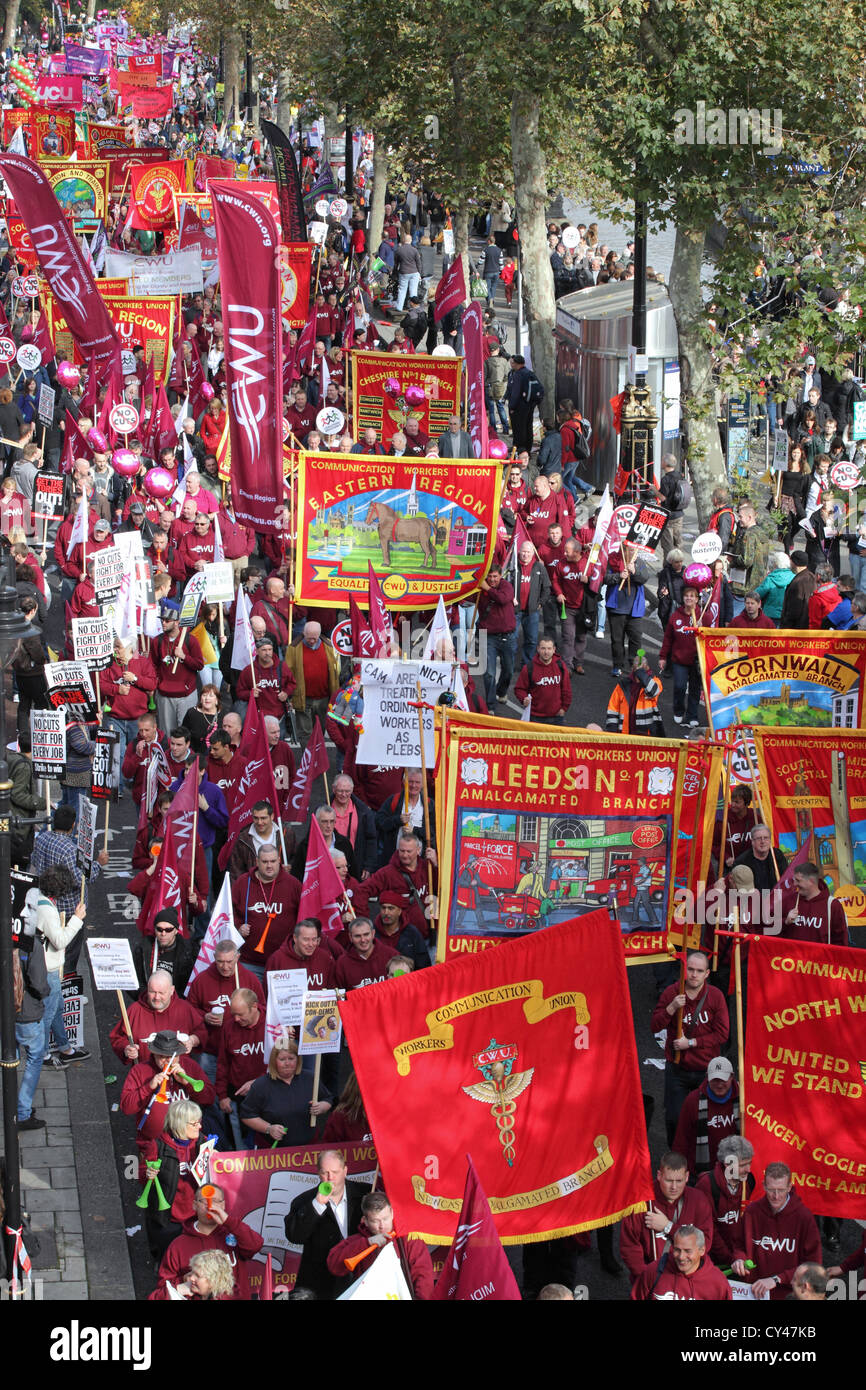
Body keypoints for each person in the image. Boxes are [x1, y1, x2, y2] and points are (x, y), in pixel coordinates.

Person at [652, 951, 730, 1145]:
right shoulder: (672, 992)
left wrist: (691, 1043)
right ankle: (676, 1163)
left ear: (707, 973)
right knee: (674, 1120)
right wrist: (671, 1008)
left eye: (699, 970)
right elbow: (655, 1026)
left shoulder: (716, 996)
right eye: (691, 969)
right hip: (677, 1070)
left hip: (706, 1071)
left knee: (707, 1122)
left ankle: (701, 1165)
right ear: (685, 970)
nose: (694, 974)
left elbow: (723, 1034)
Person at [151, 1184, 264, 1301]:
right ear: (194, 1205)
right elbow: (163, 1290)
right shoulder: (178, 1245)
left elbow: (256, 1245)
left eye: (216, 1201)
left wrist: (228, 1221)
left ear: (224, 1205)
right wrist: (186, 1280)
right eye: (204, 1201)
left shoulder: (235, 1235)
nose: (210, 1206)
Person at [284, 1149, 368, 1299]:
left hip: (360, 1277)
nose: (330, 1178)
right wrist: (316, 1206)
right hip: (320, 1282)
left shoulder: (365, 1194)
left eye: (335, 1172)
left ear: (345, 1171)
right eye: (325, 1173)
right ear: (318, 1173)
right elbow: (294, 1236)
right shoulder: (304, 1201)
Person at [619, 1152, 715, 1283]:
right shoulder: (640, 1202)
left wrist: (668, 1227)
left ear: (687, 1177)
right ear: (659, 1175)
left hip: (687, 1281)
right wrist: (647, 1278)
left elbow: (705, 1243)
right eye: (669, 1180)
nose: (674, 1187)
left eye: (679, 1181)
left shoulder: (699, 1200)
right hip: (650, 1281)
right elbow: (629, 1247)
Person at [731, 1163, 822, 1300]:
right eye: (771, 1190)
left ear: (789, 1187)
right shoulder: (751, 1212)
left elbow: (813, 1265)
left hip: (789, 1294)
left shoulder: (804, 1217)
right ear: (763, 1186)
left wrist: (777, 1279)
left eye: (781, 1190)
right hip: (754, 1291)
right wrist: (739, 1259)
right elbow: (739, 1245)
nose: (776, 1196)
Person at [327, 1191, 435, 1298]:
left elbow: (424, 1278)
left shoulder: (410, 1239)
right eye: (375, 1221)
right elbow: (334, 1265)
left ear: (392, 1213)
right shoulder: (359, 1241)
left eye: (385, 1218)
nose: (382, 1226)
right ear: (365, 1221)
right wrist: (367, 1243)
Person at [240, 1039, 331, 1148]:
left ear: (298, 1059)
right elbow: (246, 1115)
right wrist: (269, 1128)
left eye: (291, 1058)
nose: (287, 1063)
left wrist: (322, 1107)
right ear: (274, 1061)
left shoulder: (310, 1079)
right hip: (274, 1151)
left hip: (309, 1147)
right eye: (282, 1059)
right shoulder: (261, 1085)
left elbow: (328, 1099)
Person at [109, 971, 204, 1067]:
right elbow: (117, 1037)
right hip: (144, 1074)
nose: (157, 997)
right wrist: (126, 1048)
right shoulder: (135, 1010)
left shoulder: (184, 1009)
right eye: (152, 992)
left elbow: (202, 1032)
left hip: (179, 1074)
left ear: (172, 990)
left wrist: (192, 1040)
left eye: (161, 993)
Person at [216, 988, 267, 1150]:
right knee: (241, 1142)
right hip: (238, 1095)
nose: (236, 1019)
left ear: (254, 1007)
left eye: (241, 1014)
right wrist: (222, 1095)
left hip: (268, 1093)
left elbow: (287, 1062)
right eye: (233, 1014)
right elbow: (223, 1063)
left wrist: (259, 1083)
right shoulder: (229, 1027)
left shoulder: (272, 1022)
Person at [673, 1055, 741, 1175]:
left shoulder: (743, 1099)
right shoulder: (693, 1100)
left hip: (735, 1170)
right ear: (707, 1078)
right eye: (715, 1080)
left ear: (732, 1077)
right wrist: (678, 1171)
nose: (719, 1084)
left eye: (723, 1079)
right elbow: (681, 1139)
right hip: (700, 1173)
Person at [696, 1134, 756, 1269]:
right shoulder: (706, 1185)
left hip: (742, 1260)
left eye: (749, 1163)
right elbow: (709, 1229)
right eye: (743, 1165)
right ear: (727, 1164)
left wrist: (740, 1256)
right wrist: (731, 1259)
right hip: (716, 1263)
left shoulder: (750, 1182)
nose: (749, 1169)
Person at [631, 1225, 731, 1301]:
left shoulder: (718, 1283)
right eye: (677, 1250)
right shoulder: (654, 1271)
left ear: (702, 1250)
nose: (681, 1257)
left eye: (688, 1251)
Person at [285, 621, 341, 741]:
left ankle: (317, 757)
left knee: (320, 731)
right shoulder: (293, 648)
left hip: (324, 699)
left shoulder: (330, 647)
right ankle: (308, 758)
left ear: (319, 635)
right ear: (303, 633)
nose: (311, 641)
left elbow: (337, 671)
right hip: (303, 698)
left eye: (314, 638)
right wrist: (290, 697)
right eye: (308, 638)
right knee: (305, 734)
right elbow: (288, 674)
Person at [658, 582, 702, 727]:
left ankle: (692, 715)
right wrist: (663, 657)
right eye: (686, 596)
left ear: (697, 599)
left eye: (692, 596)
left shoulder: (703, 617)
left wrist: (703, 629)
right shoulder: (675, 615)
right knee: (680, 686)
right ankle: (678, 710)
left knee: (695, 689)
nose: (689, 599)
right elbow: (668, 639)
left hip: (697, 660)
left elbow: (711, 638)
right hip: (680, 659)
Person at [777, 860, 849, 945]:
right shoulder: (790, 900)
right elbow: (770, 930)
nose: (795, 884)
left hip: (820, 958)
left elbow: (841, 942)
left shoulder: (832, 905)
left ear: (811, 881)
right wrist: (785, 922)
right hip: (791, 958)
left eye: (798, 880)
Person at [604, 547, 650, 678]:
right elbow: (605, 578)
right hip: (616, 607)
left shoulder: (639, 562)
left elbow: (644, 578)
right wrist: (619, 576)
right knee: (617, 639)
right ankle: (617, 665)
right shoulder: (612, 560)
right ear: (622, 551)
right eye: (629, 550)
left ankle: (635, 665)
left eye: (633, 550)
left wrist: (634, 571)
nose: (632, 553)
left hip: (634, 609)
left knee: (636, 639)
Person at [514, 636, 571, 725]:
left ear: (554, 649)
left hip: (557, 716)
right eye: (543, 648)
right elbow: (519, 688)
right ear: (538, 649)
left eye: (549, 648)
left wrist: (564, 708)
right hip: (535, 717)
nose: (546, 652)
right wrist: (523, 698)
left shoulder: (560, 666)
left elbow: (566, 689)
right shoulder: (529, 668)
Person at [335, 916, 398, 989]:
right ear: (350, 937)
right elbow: (340, 995)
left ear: (373, 934)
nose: (363, 940)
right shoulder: (342, 963)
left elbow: (402, 987)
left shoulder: (392, 956)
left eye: (366, 934)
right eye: (357, 936)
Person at [731, 823, 788, 894]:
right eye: (759, 838)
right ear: (752, 842)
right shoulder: (742, 862)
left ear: (770, 840)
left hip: (776, 899)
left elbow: (786, 878)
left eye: (766, 838)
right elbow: (736, 891)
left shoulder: (777, 855)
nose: (763, 841)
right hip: (753, 901)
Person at [658, 454, 686, 560]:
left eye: (662, 461)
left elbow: (663, 498)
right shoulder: (680, 476)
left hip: (668, 515)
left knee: (667, 543)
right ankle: (679, 564)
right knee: (678, 542)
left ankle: (668, 567)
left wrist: (654, 489)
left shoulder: (666, 479)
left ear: (665, 463)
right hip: (679, 513)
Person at [779, 549, 816, 628]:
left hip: (795, 628)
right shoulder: (812, 577)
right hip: (807, 625)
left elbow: (794, 610)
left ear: (794, 562)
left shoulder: (798, 583)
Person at [754, 553, 793, 624]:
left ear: (775, 564)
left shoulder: (771, 578)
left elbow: (757, 594)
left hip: (770, 614)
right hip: (787, 614)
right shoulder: (793, 577)